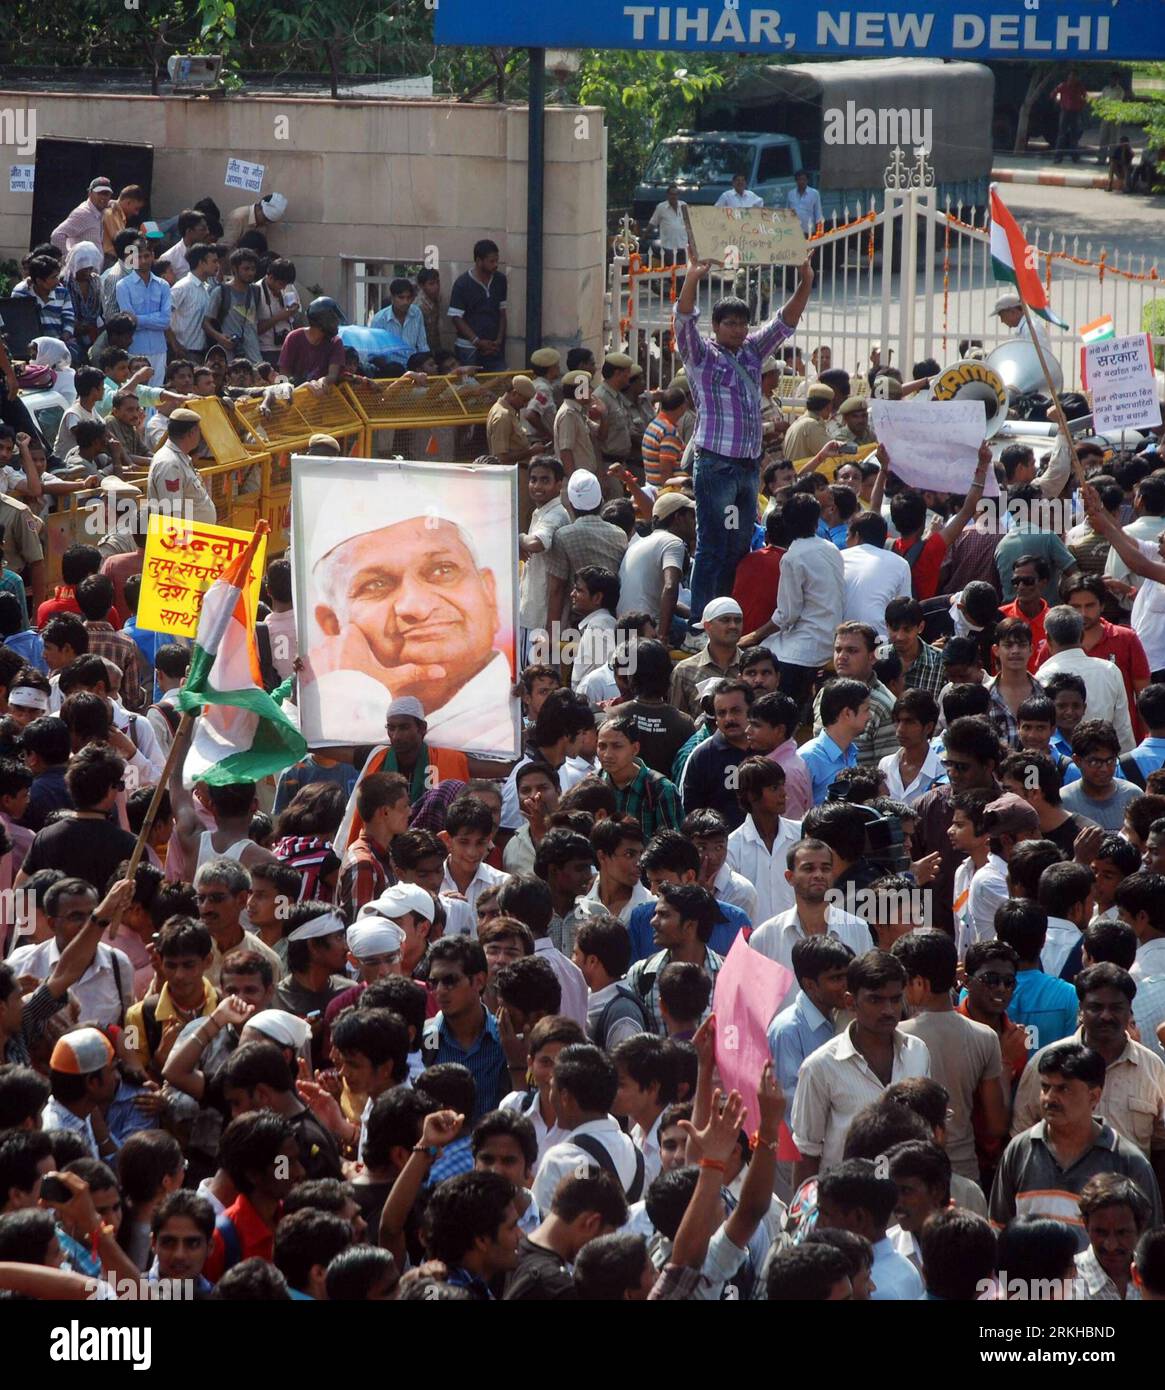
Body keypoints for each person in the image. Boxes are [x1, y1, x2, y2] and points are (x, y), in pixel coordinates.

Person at [301, 487, 514, 751]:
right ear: (333, 627)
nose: (417, 606)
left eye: (442, 570)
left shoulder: (519, 723)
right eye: (375, 585)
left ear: (488, 593)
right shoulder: (326, 726)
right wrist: (345, 695)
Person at [673, 250, 813, 636]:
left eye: (741, 323)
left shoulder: (753, 350)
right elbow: (683, 319)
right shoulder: (701, 355)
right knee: (711, 545)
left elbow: (787, 320)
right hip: (716, 465)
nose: (736, 329)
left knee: (737, 544)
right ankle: (701, 623)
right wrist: (693, 277)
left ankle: (726, 616)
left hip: (747, 469)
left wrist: (806, 279)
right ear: (716, 326)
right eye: (729, 323)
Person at [988, 1041, 1161, 1249]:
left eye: (1063, 1089)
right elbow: (999, 1229)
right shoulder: (1019, 1150)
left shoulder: (1128, 1162)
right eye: (1045, 1087)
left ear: (1094, 1096)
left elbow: (1149, 1248)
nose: (1050, 1098)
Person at [790, 950, 930, 1184]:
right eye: (875, 1000)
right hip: (846, 1205)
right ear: (850, 1002)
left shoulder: (917, 1051)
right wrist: (805, 1217)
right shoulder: (820, 1067)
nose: (888, 1010)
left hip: (906, 1202)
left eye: (895, 1000)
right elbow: (807, 1152)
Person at [892, 930, 1007, 1182]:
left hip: (909, 1175)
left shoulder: (896, 1037)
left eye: (904, 981)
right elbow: (997, 1124)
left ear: (920, 983)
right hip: (963, 1172)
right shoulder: (985, 1037)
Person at [531, 1043, 645, 1208]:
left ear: (565, 1097)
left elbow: (537, 1226)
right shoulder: (635, 1152)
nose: (550, 1095)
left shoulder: (560, 1159)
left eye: (552, 1086)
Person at [749, 837, 871, 971]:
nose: (818, 875)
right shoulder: (764, 937)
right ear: (790, 877)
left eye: (825, 868)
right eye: (808, 869)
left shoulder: (858, 929)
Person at [505, 1171, 628, 1301]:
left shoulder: (505, 1256)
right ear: (591, 1223)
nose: (604, 1251)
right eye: (606, 1238)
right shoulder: (557, 1289)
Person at [624, 884, 725, 1036]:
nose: (653, 921)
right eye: (655, 914)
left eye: (664, 915)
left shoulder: (728, 974)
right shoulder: (641, 974)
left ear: (690, 926)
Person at [816, 1159, 923, 1300]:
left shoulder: (866, 1291)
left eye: (825, 1214)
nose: (818, 1225)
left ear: (859, 1217)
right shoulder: (907, 1267)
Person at [670, 597, 744, 721]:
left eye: (738, 620)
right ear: (707, 626)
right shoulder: (685, 670)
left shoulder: (753, 668)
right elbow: (677, 722)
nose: (733, 626)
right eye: (725, 620)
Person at [798, 678, 870, 805]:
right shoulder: (807, 758)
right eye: (866, 710)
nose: (870, 716)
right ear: (847, 713)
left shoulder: (851, 753)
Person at [114, 236, 173, 384]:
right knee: (137, 393)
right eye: (139, 257)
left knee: (157, 393)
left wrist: (139, 319)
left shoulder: (163, 285)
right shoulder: (123, 285)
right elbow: (129, 322)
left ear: (153, 256)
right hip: (135, 349)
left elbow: (166, 321)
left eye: (147, 256)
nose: (144, 260)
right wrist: (154, 318)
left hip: (159, 349)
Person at [449, 240, 507, 370]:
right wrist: (476, 341)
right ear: (479, 261)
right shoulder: (462, 283)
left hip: (493, 347)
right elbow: (456, 317)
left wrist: (498, 340)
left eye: (497, 261)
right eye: (491, 261)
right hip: (468, 348)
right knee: (470, 387)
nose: (496, 265)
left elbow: (502, 312)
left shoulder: (500, 280)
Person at [52, 177, 114, 254]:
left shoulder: (100, 210)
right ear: (90, 193)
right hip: (82, 265)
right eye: (99, 193)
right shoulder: (83, 213)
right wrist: (69, 258)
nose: (103, 197)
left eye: (106, 194)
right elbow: (56, 236)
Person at [787, 169, 823, 235]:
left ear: (807, 180)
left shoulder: (814, 193)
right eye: (799, 179)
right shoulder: (791, 194)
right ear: (796, 181)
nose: (802, 182)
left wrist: (819, 231)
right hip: (795, 232)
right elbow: (788, 213)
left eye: (804, 179)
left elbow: (818, 213)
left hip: (809, 230)